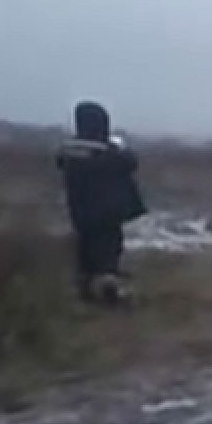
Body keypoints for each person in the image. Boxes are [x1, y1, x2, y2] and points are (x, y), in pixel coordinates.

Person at [56, 101, 146, 305]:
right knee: (107, 253)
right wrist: (117, 147)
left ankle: (86, 290)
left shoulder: (72, 152)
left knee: (86, 252)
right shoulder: (105, 155)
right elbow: (129, 162)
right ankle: (109, 294)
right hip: (106, 212)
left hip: (81, 212)